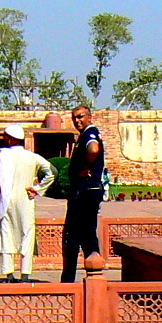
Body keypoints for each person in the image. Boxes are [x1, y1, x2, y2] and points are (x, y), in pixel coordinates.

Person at [0, 124, 56, 282]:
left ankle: (9, 274)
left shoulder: (1, 156)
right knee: (27, 234)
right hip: (26, 199)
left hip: (7, 200)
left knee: (6, 234)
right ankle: (25, 275)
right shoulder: (32, 157)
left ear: (10, 139)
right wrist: (38, 188)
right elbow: (52, 172)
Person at [61, 105, 106, 282]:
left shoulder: (90, 133)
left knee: (71, 236)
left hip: (84, 190)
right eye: (74, 118)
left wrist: (85, 166)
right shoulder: (85, 134)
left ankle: (68, 281)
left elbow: (93, 149)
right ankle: (95, 275)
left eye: (80, 117)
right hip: (92, 189)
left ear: (89, 117)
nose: (77, 121)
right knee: (88, 233)